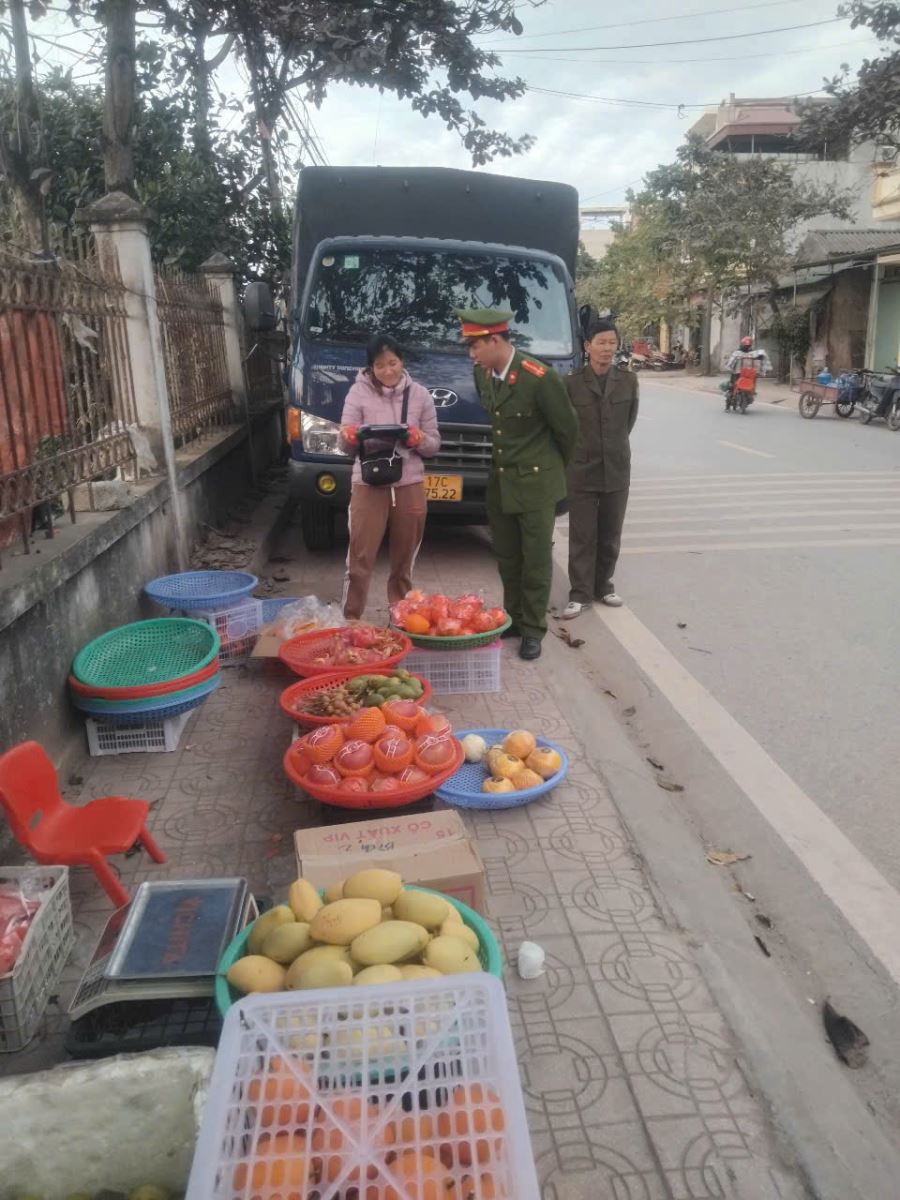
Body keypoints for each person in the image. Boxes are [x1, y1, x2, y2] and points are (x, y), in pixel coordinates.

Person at [457, 307, 578, 661]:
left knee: (535, 560)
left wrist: (554, 477)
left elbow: (568, 432)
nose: (471, 354)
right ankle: (513, 618)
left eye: (475, 346)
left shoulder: (539, 378)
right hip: (502, 482)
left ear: (495, 340)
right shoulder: (483, 373)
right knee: (508, 557)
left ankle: (533, 629)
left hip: (537, 483)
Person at [339, 333, 440, 619]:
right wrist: (348, 437)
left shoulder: (420, 395)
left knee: (403, 562)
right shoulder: (357, 393)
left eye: (393, 363)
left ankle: (402, 619)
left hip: (410, 485)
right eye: (380, 365)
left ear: (402, 361)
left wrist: (419, 439)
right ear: (371, 367)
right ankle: (351, 620)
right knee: (359, 560)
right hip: (367, 484)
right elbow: (345, 446)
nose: (387, 371)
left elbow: (434, 444)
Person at [562, 319, 639, 619]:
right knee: (582, 535)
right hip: (582, 469)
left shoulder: (628, 381)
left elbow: (628, 423)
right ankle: (580, 593)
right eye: (601, 342)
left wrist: (612, 448)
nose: (607, 349)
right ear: (587, 346)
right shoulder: (571, 383)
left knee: (610, 533)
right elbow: (565, 427)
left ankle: (603, 585)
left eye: (612, 343)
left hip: (616, 468)